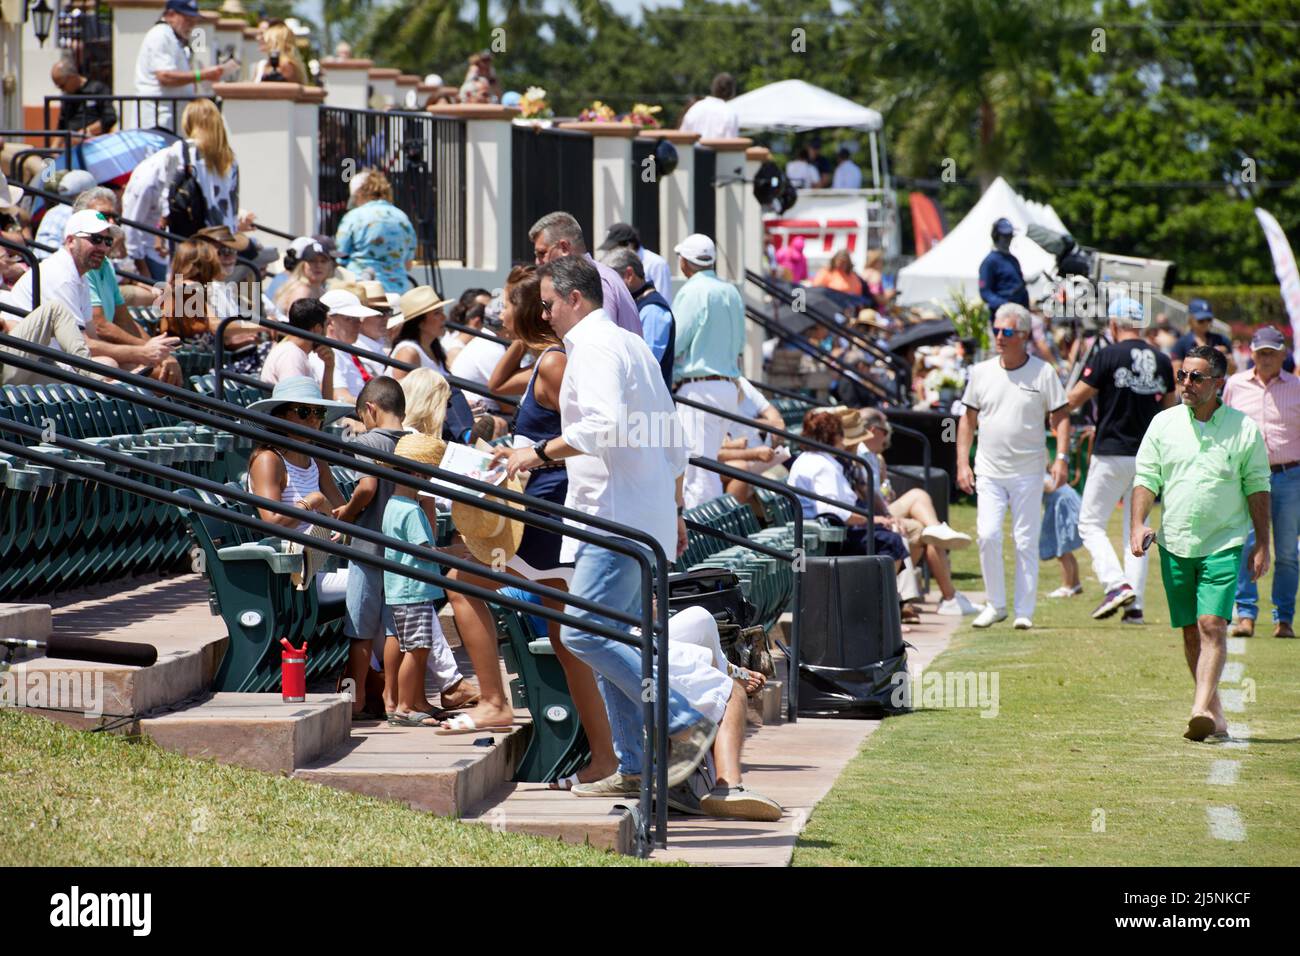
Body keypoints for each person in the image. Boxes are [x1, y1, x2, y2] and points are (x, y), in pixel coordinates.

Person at [495, 255, 715, 798]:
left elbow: (603, 427)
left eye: (548, 305)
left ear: (575, 298)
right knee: (611, 635)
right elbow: (673, 438)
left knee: (582, 635)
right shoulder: (632, 343)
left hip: (611, 517)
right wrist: (676, 507)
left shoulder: (592, 347)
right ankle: (635, 762)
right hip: (641, 514)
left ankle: (682, 716)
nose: (544, 316)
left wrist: (535, 453)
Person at [439, 268, 619, 783]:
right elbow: (498, 386)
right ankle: (606, 755)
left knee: (463, 581)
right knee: (569, 640)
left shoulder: (556, 364)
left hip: (546, 512)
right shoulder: (546, 359)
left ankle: (496, 701)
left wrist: (533, 457)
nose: (497, 313)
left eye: (506, 306)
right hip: (545, 508)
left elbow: (587, 434)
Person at [1130, 346, 1271, 741]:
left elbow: (1258, 487)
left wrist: (1263, 543)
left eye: (1196, 377)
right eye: (1182, 376)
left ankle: (1197, 707)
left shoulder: (1244, 430)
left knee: (1212, 624)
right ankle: (1215, 712)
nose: (1186, 384)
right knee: (1191, 629)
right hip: (1174, 541)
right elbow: (1146, 477)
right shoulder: (1162, 424)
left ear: (1218, 383)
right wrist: (1138, 523)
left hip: (1224, 542)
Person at [957, 302, 1070, 630]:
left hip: (1029, 470)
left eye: (1007, 332)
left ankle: (1024, 610)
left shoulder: (1043, 372)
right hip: (989, 470)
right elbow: (967, 421)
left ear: (1023, 335)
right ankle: (996, 604)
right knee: (988, 535)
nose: (999, 337)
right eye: (996, 331)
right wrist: (963, 463)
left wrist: (1061, 458)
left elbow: (1061, 417)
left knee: (1024, 540)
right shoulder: (981, 372)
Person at [1066, 297, 1176, 624]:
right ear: (1140, 325)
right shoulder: (1161, 358)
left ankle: (1116, 585)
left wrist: (1047, 409)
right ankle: (1135, 606)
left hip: (1112, 451)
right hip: (1148, 456)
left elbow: (1075, 399)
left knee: (1089, 523)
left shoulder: (1107, 354)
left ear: (1114, 325)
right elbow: (1170, 411)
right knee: (1136, 527)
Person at [379, 433, 464, 726]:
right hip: (411, 592)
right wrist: (454, 552)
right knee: (416, 651)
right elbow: (425, 551)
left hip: (407, 591)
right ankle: (404, 707)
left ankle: (417, 702)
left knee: (419, 648)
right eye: (429, 474)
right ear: (417, 473)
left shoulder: (394, 505)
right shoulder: (410, 510)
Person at [244, 376, 353, 602]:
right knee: (381, 584)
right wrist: (310, 502)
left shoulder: (316, 460)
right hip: (296, 572)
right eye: (304, 412)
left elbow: (342, 513)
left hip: (324, 561)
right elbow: (271, 522)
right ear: (281, 416)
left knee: (388, 580)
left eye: (319, 412)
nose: (314, 420)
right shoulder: (268, 459)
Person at [858, 407, 977, 615]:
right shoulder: (859, 455)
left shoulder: (876, 458)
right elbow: (861, 495)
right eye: (885, 431)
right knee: (918, 502)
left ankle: (936, 532)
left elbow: (880, 492)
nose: (887, 438)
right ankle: (947, 596)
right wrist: (886, 514)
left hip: (880, 508)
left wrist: (887, 492)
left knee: (925, 528)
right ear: (873, 430)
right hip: (867, 514)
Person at [1223, 326, 1300, 638]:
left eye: (1272, 352)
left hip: (1289, 475)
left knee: (1287, 551)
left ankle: (1283, 618)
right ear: (1251, 353)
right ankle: (1245, 614)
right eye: (1261, 352)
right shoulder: (1235, 385)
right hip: (1247, 478)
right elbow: (1224, 429)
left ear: (1283, 353)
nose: (1266, 358)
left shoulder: (1296, 387)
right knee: (1245, 546)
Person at [71, 187, 183, 385]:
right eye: (104, 216)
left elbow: (123, 319)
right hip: (78, 357)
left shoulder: (104, 264)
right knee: (160, 378)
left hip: (101, 350)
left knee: (166, 373)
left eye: (115, 217)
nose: (111, 223)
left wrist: (157, 349)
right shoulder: (77, 265)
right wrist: (149, 351)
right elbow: (101, 326)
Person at [670, 233, 746, 509]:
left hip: (700, 387)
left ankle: (700, 543)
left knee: (697, 471)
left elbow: (676, 341)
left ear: (686, 262)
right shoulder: (731, 291)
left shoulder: (692, 291)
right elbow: (740, 344)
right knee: (704, 466)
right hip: (727, 386)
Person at [787, 410, 909, 565]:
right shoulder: (823, 465)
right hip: (827, 539)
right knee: (891, 542)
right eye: (841, 434)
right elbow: (836, 512)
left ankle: (884, 589)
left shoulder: (813, 459)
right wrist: (873, 519)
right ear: (834, 437)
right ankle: (884, 589)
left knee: (887, 536)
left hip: (828, 532)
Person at [528, 211, 642, 337]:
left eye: (542, 253)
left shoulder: (598, 281)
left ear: (564, 247)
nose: (537, 262)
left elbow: (602, 341)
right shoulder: (591, 277)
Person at [134, 0, 236, 129]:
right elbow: (165, 77)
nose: (192, 25)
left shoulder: (173, 37)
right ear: (171, 15)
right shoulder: (160, 35)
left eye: (194, 21)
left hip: (170, 117)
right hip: (159, 118)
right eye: (188, 20)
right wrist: (201, 75)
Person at [600, 246, 675, 389]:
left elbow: (645, 365)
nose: (605, 288)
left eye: (609, 281)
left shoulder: (653, 311)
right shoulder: (637, 305)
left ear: (629, 275)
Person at [335, 169, 417, 293]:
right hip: (397, 292)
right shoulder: (402, 218)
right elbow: (408, 263)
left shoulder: (354, 217)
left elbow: (340, 256)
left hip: (362, 290)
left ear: (359, 194)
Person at [311, 288, 381, 405]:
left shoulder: (343, 350)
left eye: (358, 318)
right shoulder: (325, 353)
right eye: (350, 319)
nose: (358, 323)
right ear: (329, 321)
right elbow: (341, 397)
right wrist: (382, 407)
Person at [261, 298, 336, 395]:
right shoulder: (291, 355)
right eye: (326, 325)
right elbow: (295, 402)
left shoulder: (295, 352)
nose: (326, 333)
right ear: (317, 329)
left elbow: (324, 404)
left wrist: (329, 367)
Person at [388, 285, 454, 379]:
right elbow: (402, 391)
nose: (444, 317)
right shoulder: (408, 352)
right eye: (437, 313)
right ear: (420, 322)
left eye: (442, 311)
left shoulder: (434, 347)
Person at [597, 222, 672, 300]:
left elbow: (663, 297)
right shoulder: (613, 263)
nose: (611, 252)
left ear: (629, 244)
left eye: (613, 248)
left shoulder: (656, 264)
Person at [34, 170, 97, 259]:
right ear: (84, 194)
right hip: (55, 265)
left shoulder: (53, 211)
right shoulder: (72, 214)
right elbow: (47, 253)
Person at [1041, 474, 1085, 598]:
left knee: (1062, 552)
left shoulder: (1042, 477)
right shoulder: (1046, 475)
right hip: (1067, 508)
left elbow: (1049, 487)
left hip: (1065, 511)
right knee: (1066, 551)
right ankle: (1076, 584)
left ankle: (1067, 587)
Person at [51, 55, 117, 136]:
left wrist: (86, 132)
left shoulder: (97, 89)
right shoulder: (67, 98)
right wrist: (52, 148)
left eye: (62, 85)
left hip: (94, 141)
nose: (61, 89)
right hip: (72, 144)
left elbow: (109, 118)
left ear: (72, 77)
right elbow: (62, 128)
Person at [1171, 298, 1234, 378]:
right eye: (1201, 320)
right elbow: (1176, 374)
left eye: (1209, 319)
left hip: (1217, 388)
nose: (1206, 323)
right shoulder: (1181, 343)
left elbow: (1233, 371)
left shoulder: (1222, 340)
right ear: (1190, 319)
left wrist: (1225, 357)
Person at [977, 218, 1029, 316]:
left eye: (1010, 236)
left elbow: (1019, 286)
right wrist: (1005, 305)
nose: (1008, 239)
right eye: (1004, 236)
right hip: (1002, 316)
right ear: (996, 236)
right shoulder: (989, 262)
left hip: (1019, 313)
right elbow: (985, 292)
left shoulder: (1013, 260)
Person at [273, 238, 334, 317]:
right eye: (312, 261)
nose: (318, 265)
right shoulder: (302, 291)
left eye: (323, 261)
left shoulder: (320, 289)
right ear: (302, 265)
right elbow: (297, 326)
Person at [678, 72, 740, 139]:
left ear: (713, 88)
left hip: (693, 148)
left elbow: (682, 136)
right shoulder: (730, 113)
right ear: (732, 92)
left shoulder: (695, 108)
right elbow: (731, 144)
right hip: (718, 149)